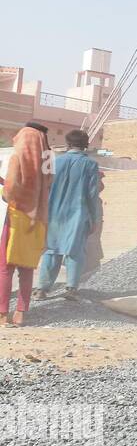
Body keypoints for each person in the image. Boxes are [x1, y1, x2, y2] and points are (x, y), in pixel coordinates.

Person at [34, 128, 102, 300]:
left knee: (51, 250)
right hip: (78, 215)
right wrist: (94, 219)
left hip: (53, 214)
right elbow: (92, 194)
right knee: (75, 251)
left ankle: (41, 289)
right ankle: (71, 289)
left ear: (68, 143)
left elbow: (43, 188)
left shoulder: (54, 162)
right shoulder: (91, 165)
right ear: (85, 145)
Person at [1, 123, 52, 326]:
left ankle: (3, 313)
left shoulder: (17, 157)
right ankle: (21, 312)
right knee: (27, 267)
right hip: (39, 216)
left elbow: (10, 189)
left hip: (15, 216)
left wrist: (6, 195)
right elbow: (48, 182)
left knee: (5, 266)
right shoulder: (49, 158)